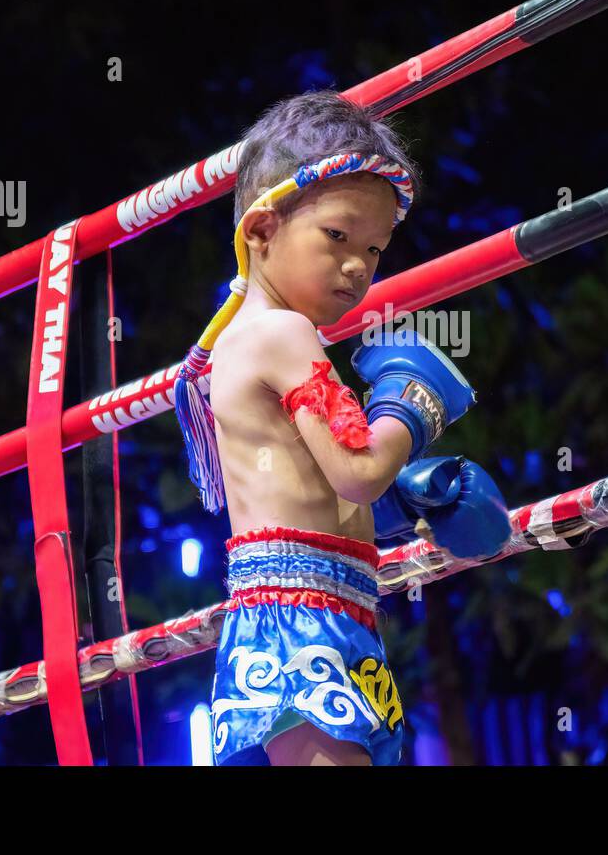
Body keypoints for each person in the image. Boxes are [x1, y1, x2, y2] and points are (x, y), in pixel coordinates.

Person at [174, 91, 511, 766]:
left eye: (375, 248)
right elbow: (356, 469)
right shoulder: (283, 332)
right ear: (262, 230)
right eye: (337, 237)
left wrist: (396, 503)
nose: (358, 265)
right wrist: (414, 406)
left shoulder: (247, 339)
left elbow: (321, 489)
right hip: (304, 617)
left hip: (318, 605)